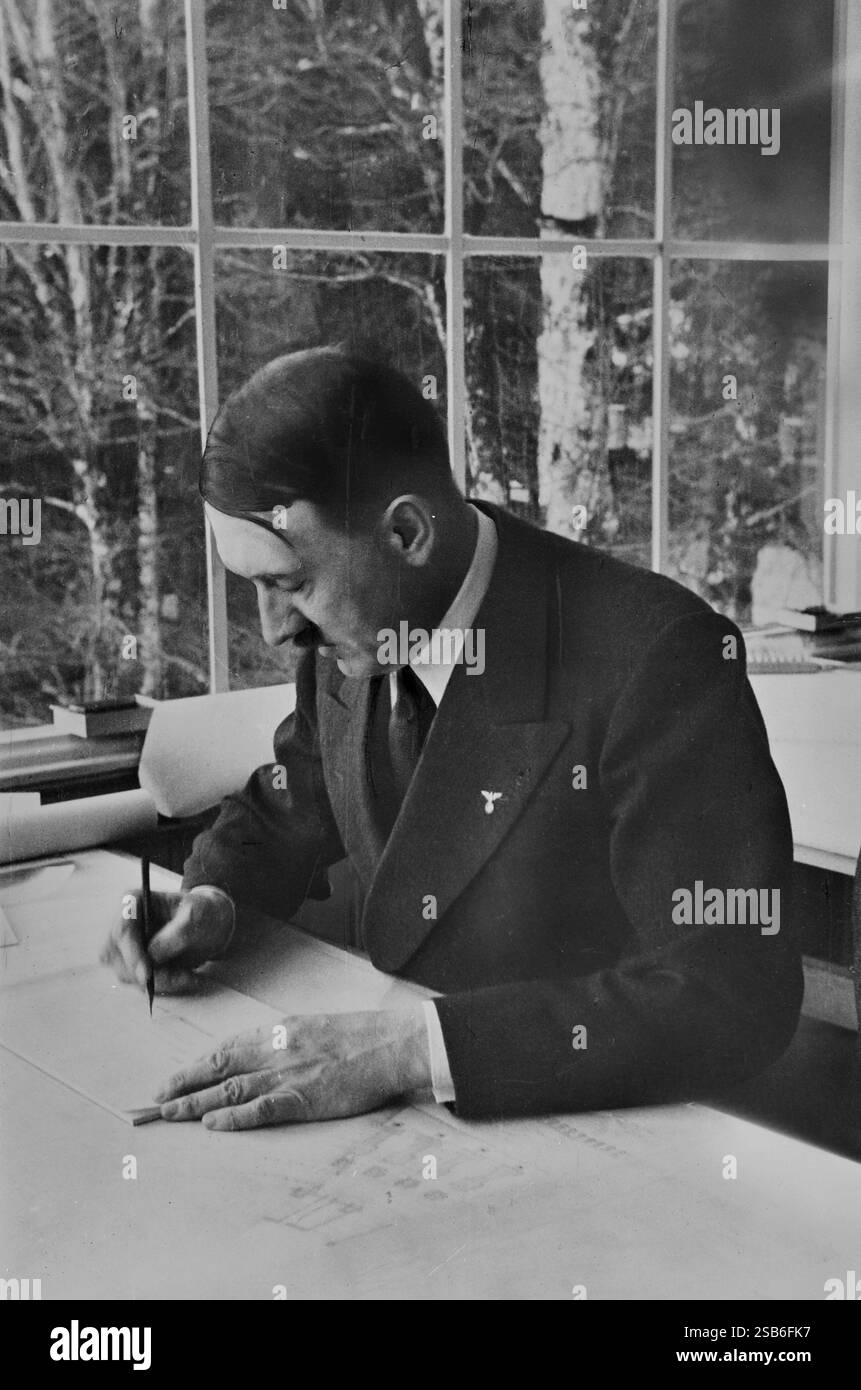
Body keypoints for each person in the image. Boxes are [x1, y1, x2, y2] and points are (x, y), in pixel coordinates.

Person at [100, 346, 802, 1130]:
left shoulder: (656, 656)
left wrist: (409, 1049)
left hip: (616, 1134)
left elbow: (728, 994)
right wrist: (211, 900)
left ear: (406, 533)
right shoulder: (357, 632)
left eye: (289, 584)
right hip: (422, 1130)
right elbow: (294, 798)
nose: (273, 631)